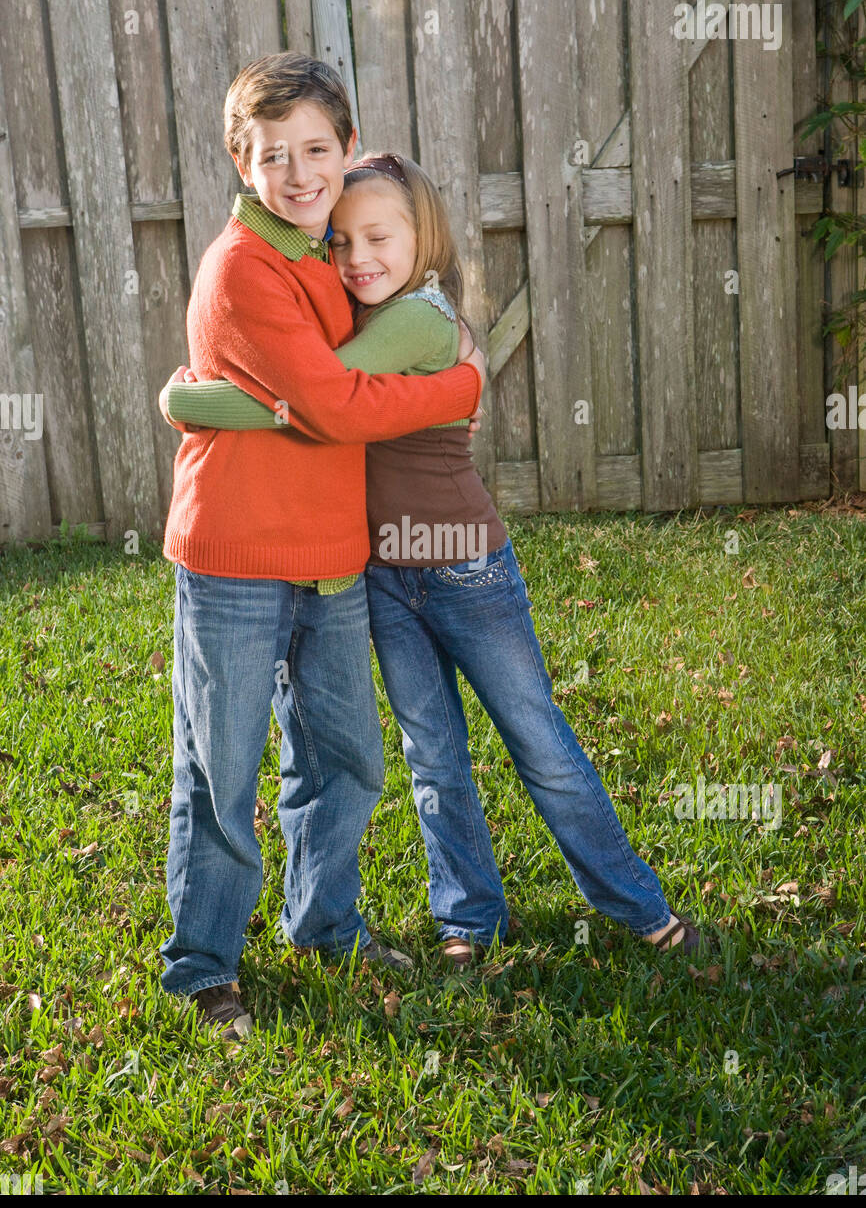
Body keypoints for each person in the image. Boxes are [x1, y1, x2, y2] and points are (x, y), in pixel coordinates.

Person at [163, 150, 705, 972]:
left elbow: (319, 398)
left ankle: (640, 907)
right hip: (382, 572)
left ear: (426, 238)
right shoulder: (355, 313)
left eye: (379, 236)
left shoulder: (418, 320)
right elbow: (315, 390)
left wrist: (184, 398)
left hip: (461, 566)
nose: (357, 257)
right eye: (341, 241)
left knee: (538, 744)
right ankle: (469, 918)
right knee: (432, 756)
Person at [157, 56, 485, 1041]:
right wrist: (463, 389)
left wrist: (211, 399)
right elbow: (340, 407)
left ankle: (324, 921)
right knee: (222, 771)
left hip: (334, 556)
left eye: (315, 149)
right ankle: (203, 967)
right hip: (234, 559)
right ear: (239, 161)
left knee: (343, 759)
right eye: (271, 154)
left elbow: (357, 371)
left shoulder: (331, 254)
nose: (298, 171)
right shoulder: (243, 267)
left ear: (348, 150)